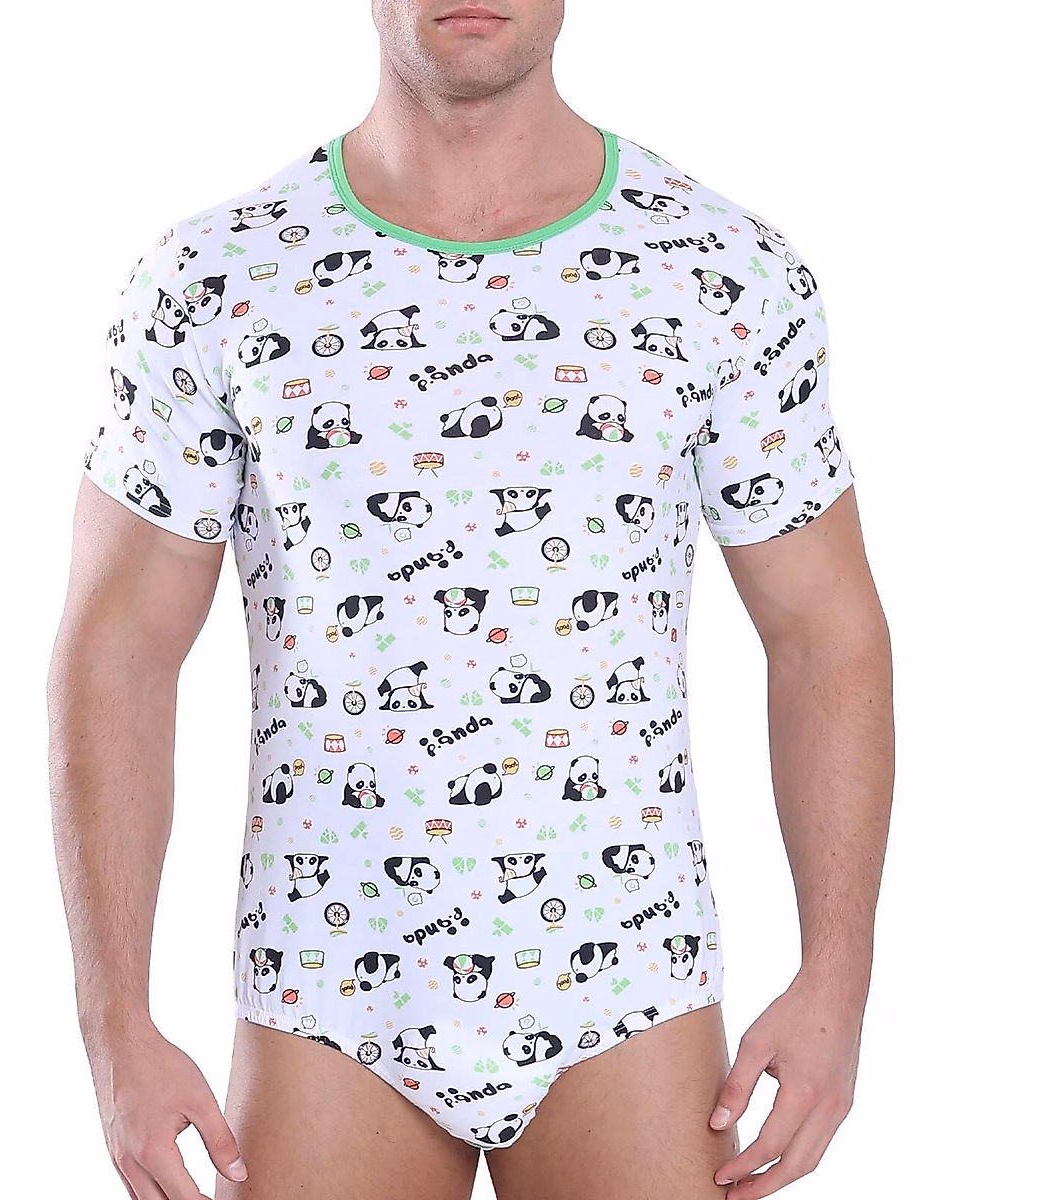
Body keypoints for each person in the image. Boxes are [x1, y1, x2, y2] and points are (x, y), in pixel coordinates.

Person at [47, 3, 894, 1197]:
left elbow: (825, 635)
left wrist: (836, 985)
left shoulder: (722, 273)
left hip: (626, 979)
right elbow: (115, 653)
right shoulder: (220, 279)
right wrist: (115, 1028)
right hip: (330, 989)